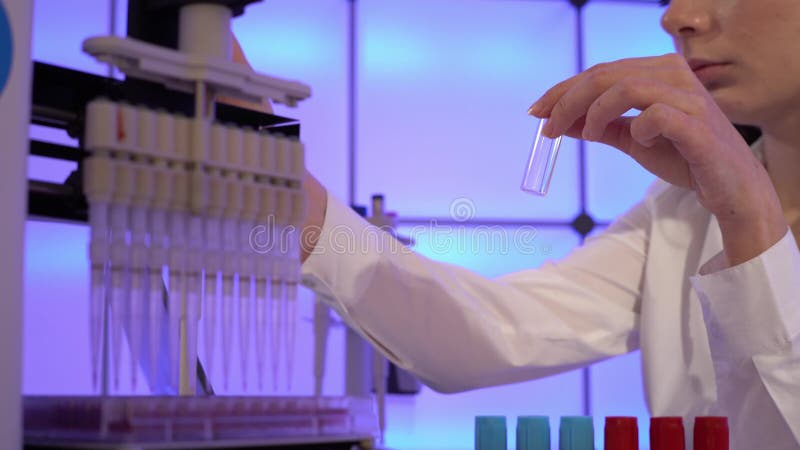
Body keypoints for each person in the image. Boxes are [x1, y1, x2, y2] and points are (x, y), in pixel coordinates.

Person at [295, 0, 800, 447]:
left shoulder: (712, 203)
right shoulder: (680, 209)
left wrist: (750, 216)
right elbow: (489, 333)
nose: (677, 16)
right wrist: (276, 177)